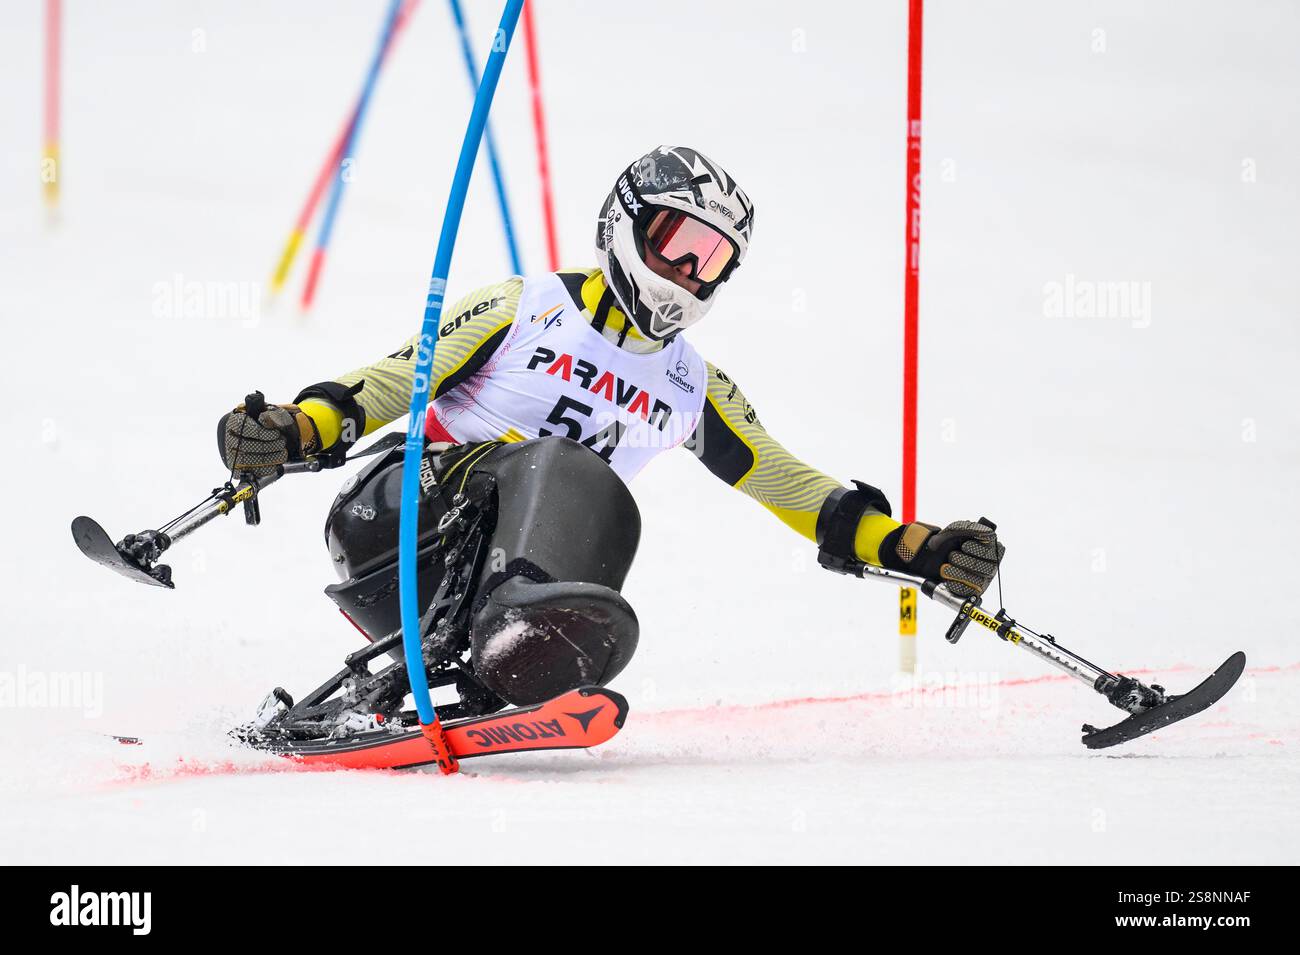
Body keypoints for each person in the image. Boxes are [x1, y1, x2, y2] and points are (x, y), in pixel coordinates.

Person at [218, 145, 1003, 707]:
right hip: (393, 521)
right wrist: (296, 425)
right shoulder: (526, 308)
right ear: (625, 224)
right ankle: (521, 618)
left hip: (477, 582)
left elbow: (787, 482)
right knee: (563, 463)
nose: (689, 274)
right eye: (677, 244)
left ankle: (519, 652)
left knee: (606, 504)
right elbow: (391, 379)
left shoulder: (693, 386)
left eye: (712, 258)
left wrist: (910, 547)